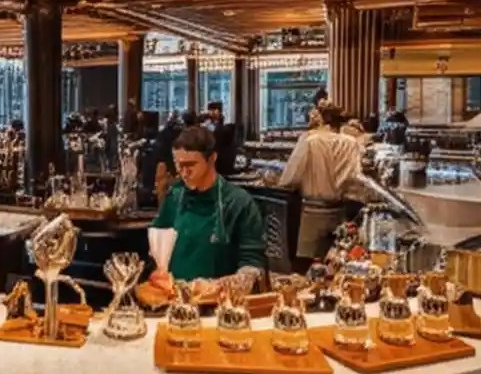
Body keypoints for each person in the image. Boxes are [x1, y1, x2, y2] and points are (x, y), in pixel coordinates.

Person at [149, 126, 267, 289]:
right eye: (178, 165)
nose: (184, 173)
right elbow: (157, 247)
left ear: (212, 159)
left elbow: (252, 262)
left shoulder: (239, 203)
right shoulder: (174, 198)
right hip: (175, 299)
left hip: (220, 303)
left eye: (190, 165)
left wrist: (223, 286)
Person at [278, 101, 363, 263]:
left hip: (312, 214)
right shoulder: (351, 144)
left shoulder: (310, 141)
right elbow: (355, 178)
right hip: (340, 213)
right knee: (338, 265)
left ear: (321, 120)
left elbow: (289, 179)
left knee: (310, 268)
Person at [205, 101, 237, 177]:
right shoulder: (207, 124)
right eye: (210, 110)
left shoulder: (226, 124)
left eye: (214, 110)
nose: (211, 113)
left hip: (224, 157)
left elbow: (224, 137)